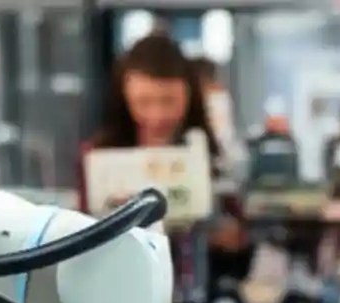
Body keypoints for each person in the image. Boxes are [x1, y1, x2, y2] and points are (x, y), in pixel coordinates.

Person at [80, 34, 251, 283]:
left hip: (198, 294)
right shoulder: (99, 156)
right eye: (143, 102)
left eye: (169, 101)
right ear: (124, 98)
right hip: (120, 291)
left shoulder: (209, 154)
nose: (157, 115)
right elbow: (81, 238)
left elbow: (238, 234)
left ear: (189, 96)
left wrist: (231, 238)